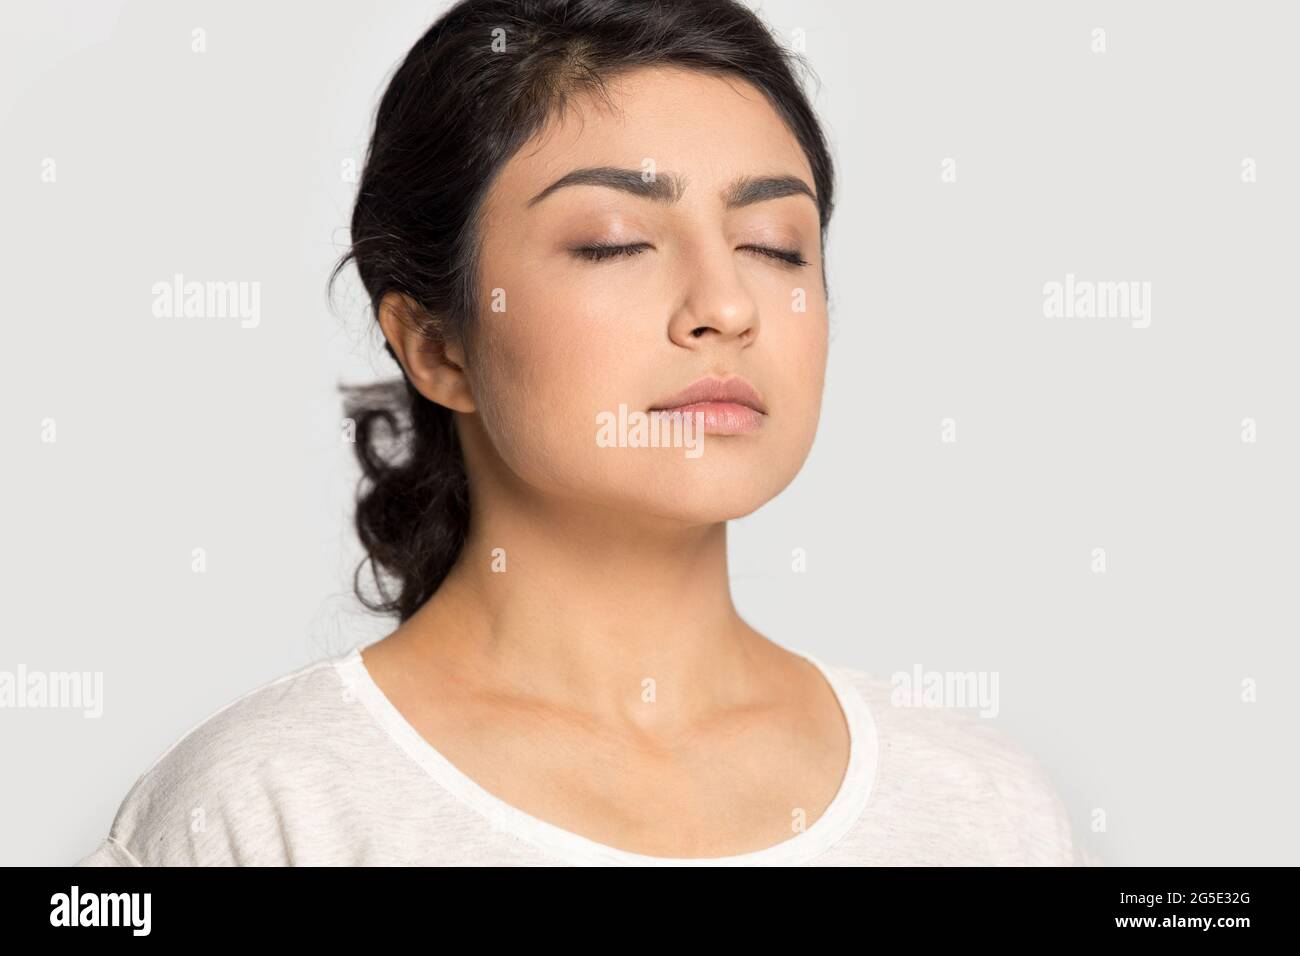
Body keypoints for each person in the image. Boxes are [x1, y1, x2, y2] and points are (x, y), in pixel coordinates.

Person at [77, 0, 1090, 867]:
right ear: (436, 345)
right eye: (616, 242)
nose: (725, 304)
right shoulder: (264, 809)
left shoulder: (985, 812)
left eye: (775, 244)